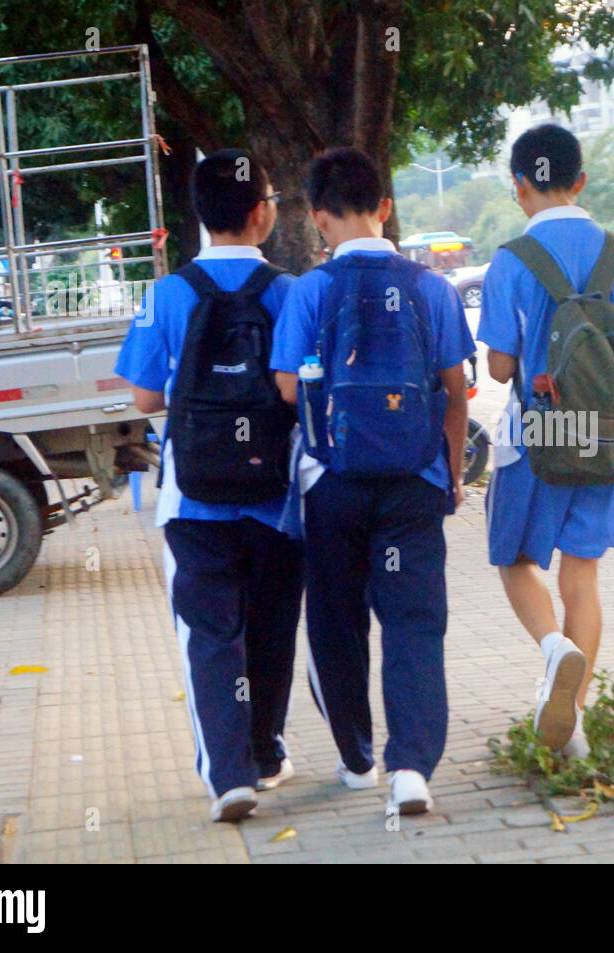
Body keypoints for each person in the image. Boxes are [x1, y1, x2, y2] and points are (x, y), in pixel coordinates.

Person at [271, 147, 473, 818]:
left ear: (319, 216)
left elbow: (285, 385)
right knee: (414, 619)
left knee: (336, 618)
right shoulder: (431, 289)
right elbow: (455, 390)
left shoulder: (310, 290)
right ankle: (411, 766)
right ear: (384, 207)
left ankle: (357, 754)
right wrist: (451, 474)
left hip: (332, 481)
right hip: (415, 478)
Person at [478, 124, 614, 759]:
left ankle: (551, 650)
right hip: (609, 437)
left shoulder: (512, 260)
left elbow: (502, 369)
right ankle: (578, 726)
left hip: (538, 432)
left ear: (519, 186)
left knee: (513, 559)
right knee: (582, 576)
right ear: (580, 181)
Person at [115, 149, 303, 823]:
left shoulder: (167, 293)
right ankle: (266, 752)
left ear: (201, 215)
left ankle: (228, 775)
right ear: (260, 215)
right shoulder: (288, 292)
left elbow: (143, 397)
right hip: (276, 497)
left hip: (193, 497)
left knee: (211, 633)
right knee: (273, 627)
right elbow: (299, 390)